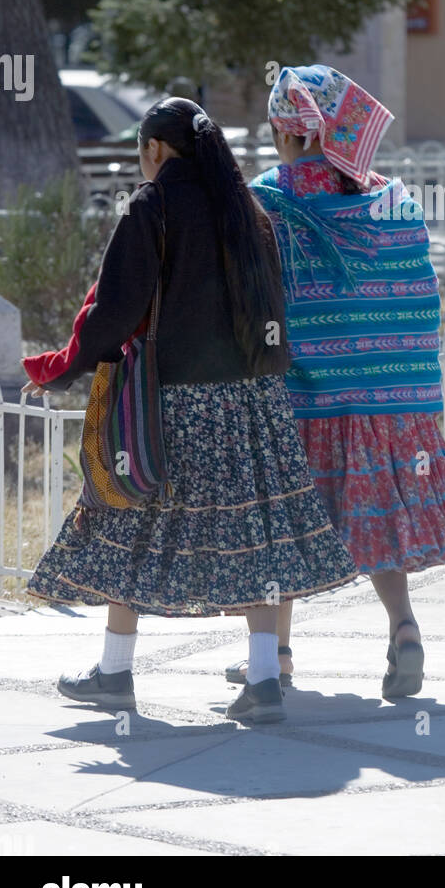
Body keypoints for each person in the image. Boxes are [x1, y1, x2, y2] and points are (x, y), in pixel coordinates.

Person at [24, 98, 358, 725]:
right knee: (253, 534)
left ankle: (116, 674)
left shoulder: (152, 208)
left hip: (170, 401)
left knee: (130, 519)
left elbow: (116, 310)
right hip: (249, 401)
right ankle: (263, 682)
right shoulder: (247, 211)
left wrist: (64, 369)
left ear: (154, 150)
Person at [224, 65, 445, 698]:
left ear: (288, 130)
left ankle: (277, 655)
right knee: (382, 519)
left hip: (302, 397)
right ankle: (404, 629)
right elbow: (416, 290)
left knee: (282, 523)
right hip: (385, 398)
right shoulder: (391, 199)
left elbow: (250, 292)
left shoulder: (266, 198)